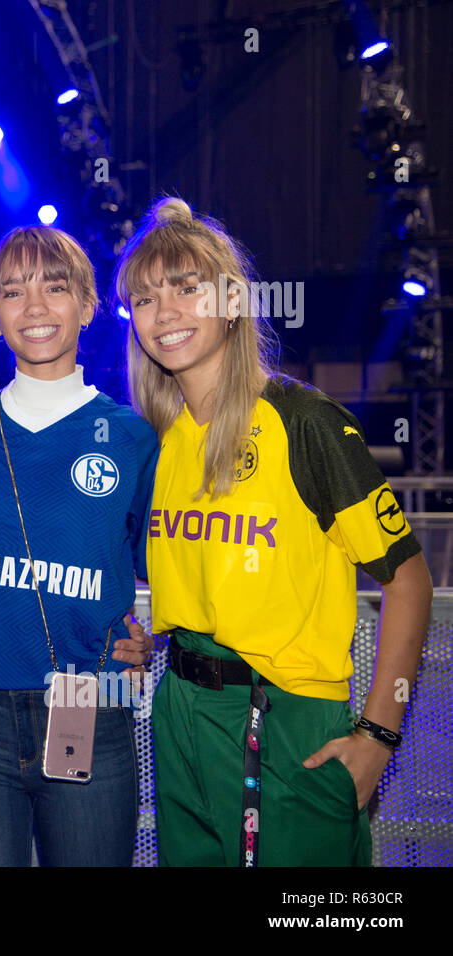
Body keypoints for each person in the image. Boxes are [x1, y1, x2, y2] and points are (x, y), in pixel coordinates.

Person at [116, 196, 432, 866]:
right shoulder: (163, 439)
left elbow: (409, 579)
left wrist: (377, 733)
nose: (163, 311)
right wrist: (137, 637)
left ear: (232, 300)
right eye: (143, 297)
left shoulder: (306, 421)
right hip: (182, 714)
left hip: (286, 719)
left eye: (186, 288)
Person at [0, 225, 159, 866]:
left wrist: (152, 632)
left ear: (87, 306)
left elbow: (174, 560)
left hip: (90, 699)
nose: (34, 307)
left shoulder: (133, 436)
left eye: (55, 289)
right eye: (13, 291)